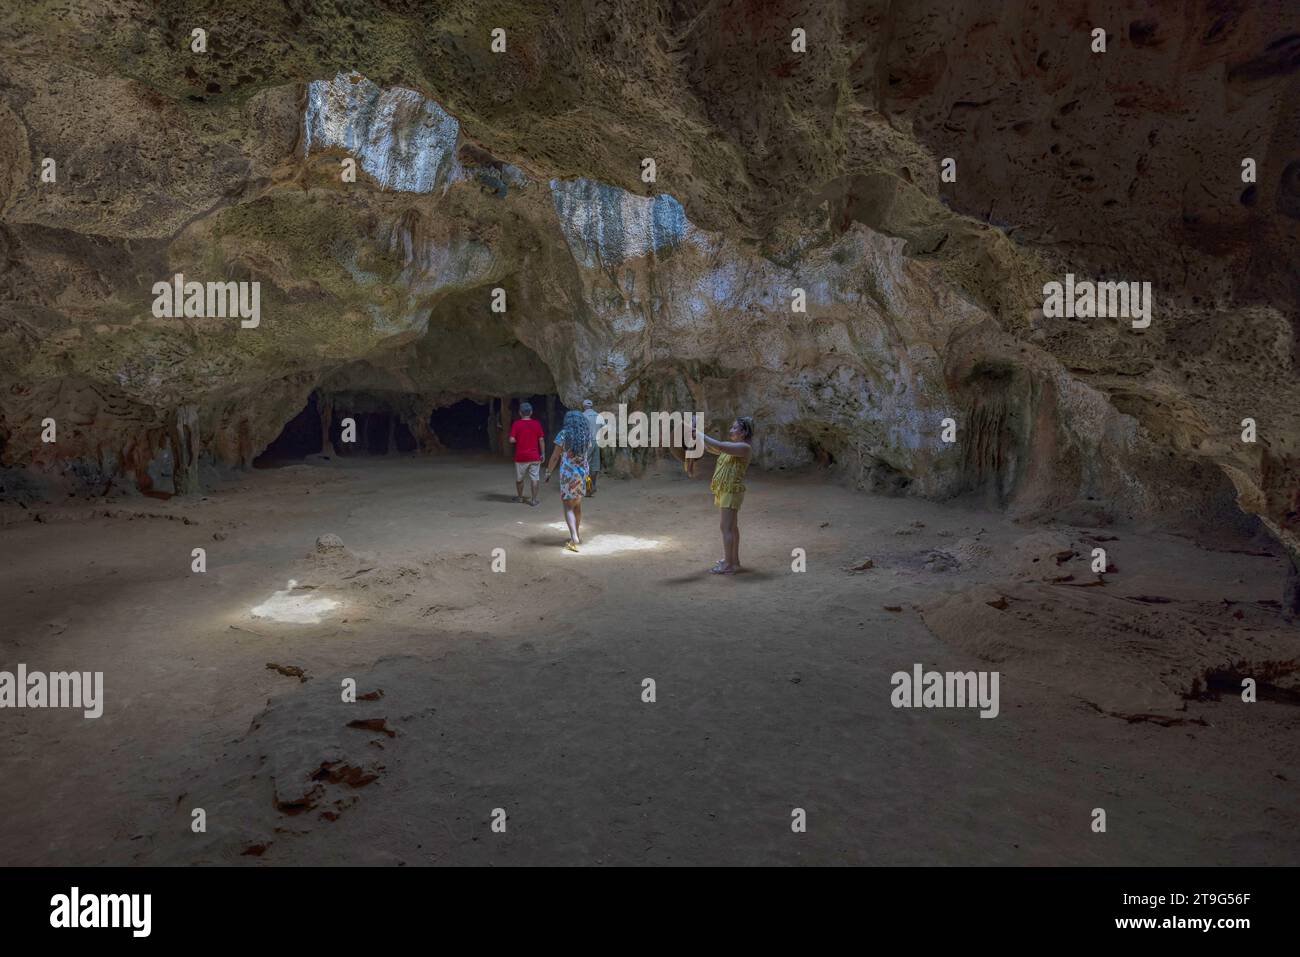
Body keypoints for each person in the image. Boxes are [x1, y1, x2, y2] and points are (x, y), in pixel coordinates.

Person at [686, 416, 754, 574]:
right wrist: (697, 438)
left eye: (735, 428)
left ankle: (728, 565)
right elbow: (713, 448)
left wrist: (699, 433)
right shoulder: (733, 446)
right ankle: (734, 561)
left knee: (726, 528)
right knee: (731, 527)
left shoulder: (744, 448)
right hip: (726, 491)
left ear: (743, 432)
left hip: (731, 492)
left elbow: (719, 445)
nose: (731, 430)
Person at [545, 409, 591, 552]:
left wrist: (548, 471)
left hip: (567, 476)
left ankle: (574, 537)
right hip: (582, 474)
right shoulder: (585, 436)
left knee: (568, 506)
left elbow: (554, 456)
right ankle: (576, 534)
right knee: (577, 504)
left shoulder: (564, 435)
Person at [508, 401, 545, 506]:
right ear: (531, 412)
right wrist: (543, 453)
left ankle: (520, 498)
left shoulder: (516, 424)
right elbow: (541, 439)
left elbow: (511, 440)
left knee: (519, 479)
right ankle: (533, 500)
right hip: (534, 456)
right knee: (535, 478)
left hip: (521, 457)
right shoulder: (536, 424)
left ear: (520, 413)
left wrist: (518, 438)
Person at [582, 399, 604, 496]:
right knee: (595, 466)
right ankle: (594, 486)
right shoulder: (598, 415)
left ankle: (588, 488)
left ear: (584, 406)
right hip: (597, 441)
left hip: (588, 442)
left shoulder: (583, 416)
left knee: (586, 465)